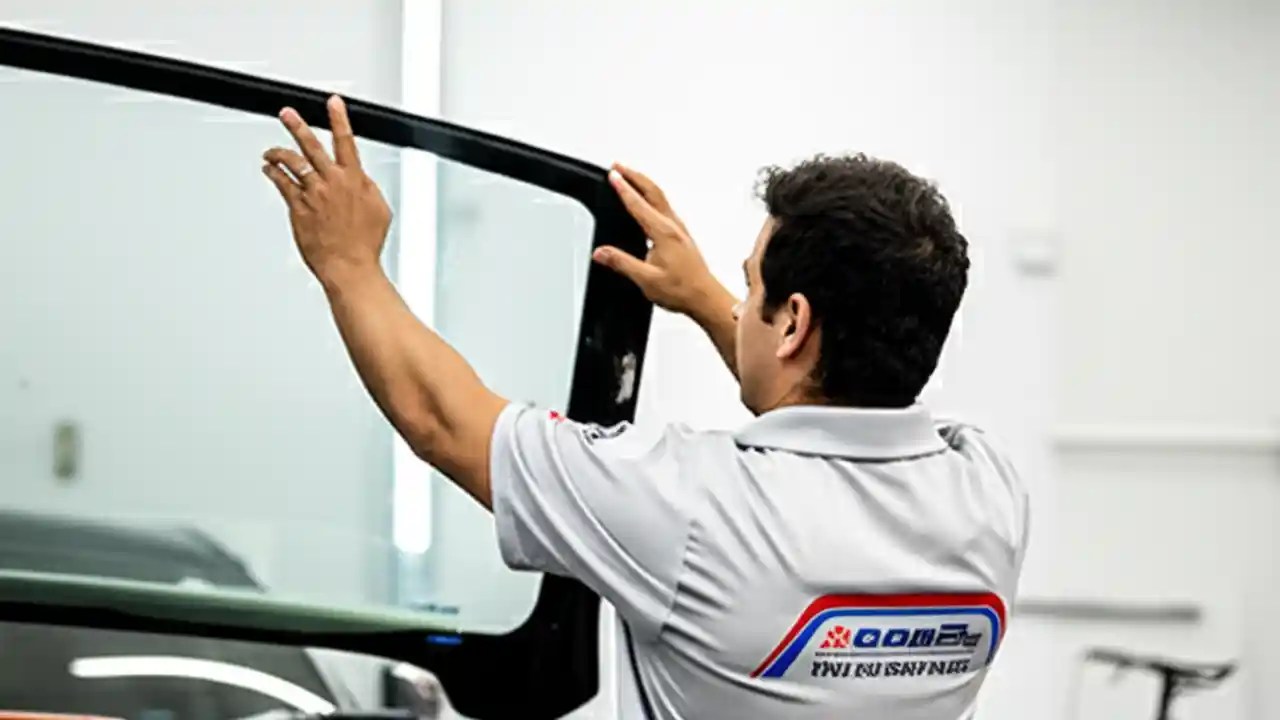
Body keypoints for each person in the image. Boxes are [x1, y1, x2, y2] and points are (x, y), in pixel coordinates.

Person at [261, 96, 1030, 720]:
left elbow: (443, 420)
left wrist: (348, 264)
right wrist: (704, 299)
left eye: (751, 285)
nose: (741, 301)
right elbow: (837, 399)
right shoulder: (991, 493)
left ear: (793, 322)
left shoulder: (694, 506)